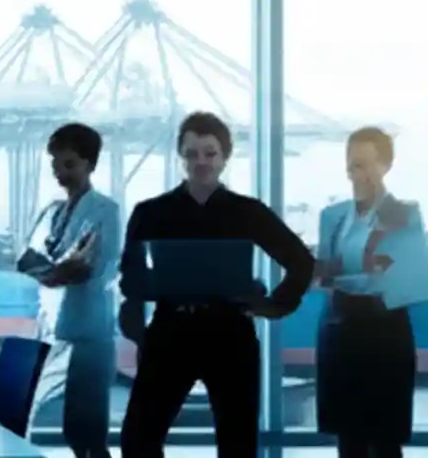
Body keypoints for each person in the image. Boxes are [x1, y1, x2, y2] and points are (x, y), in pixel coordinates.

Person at [118, 111, 315, 458]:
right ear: (180, 156)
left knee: (237, 443)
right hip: (170, 330)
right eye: (192, 153)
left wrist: (272, 305)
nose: (201, 162)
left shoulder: (248, 212)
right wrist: (142, 325)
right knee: (138, 438)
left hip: (229, 333)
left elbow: (301, 262)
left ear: (224, 157)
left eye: (209, 153)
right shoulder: (151, 212)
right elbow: (130, 277)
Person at [315, 127, 420, 458]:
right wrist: (360, 271)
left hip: (385, 334)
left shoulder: (405, 214)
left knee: (386, 442)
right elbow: (325, 274)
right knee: (349, 442)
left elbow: (398, 277)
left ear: (386, 165)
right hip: (340, 331)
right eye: (352, 165)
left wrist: (346, 273)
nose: (357, 174)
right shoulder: (332, 216)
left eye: (365, 164)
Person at [19, 123, 120, 458]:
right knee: (47, 422)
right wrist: (56, 270)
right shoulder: (51, 211)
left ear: (90, 164)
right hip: (51, 328)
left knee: (87, 432)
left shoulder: (106, 210)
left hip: (89, 332)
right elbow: (26, 257)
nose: (61, 173)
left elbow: (96, 269)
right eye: (56, 165)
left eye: (69, 164)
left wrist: (55, 271)